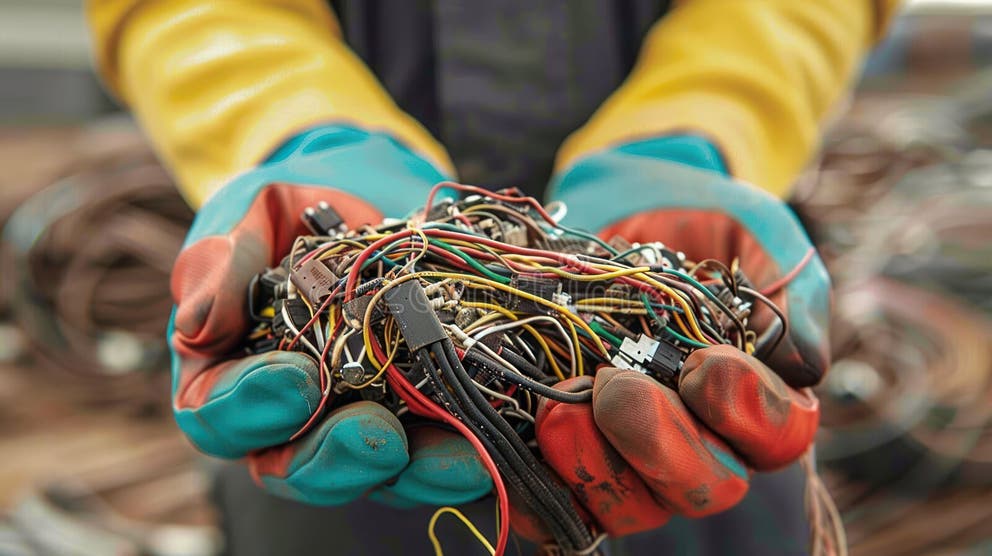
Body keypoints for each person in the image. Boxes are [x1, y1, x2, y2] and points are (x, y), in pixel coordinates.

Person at [86, 1, 899, 554]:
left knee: (689, 475)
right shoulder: (356, 295)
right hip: (355, 448)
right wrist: (290, 128)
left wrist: (707, 123)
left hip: (683, 421)